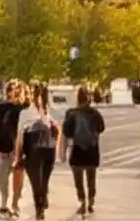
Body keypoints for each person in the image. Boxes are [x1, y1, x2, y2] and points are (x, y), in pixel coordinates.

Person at [15, 83, 62, 221]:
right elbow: (58, 132)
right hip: (49, 149)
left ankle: (39, 210)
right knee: (44, 180)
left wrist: (18, 156)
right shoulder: (51, 112)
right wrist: (57, 149)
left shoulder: (25, 114)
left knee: (36, 182)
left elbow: (20, 137)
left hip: (32, 150)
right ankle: (43, 198)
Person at [62, 87, 106, 218]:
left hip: (77, 150)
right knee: (91, 178)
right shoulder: (95, 113)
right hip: (92, 150)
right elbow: (101, 128)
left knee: (78, 179)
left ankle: (82, 201)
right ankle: (91, 199)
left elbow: (67, 132)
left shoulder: (72, 114)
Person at [0, 80, 27, 218]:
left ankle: (15, 204)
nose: (12, 93)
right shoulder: (0, 108)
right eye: (10, 90)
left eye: (15, 90)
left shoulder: (23, 108)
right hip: (5, 149)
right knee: (3, 177)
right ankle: (4, 204)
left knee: (18, 178)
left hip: (19, 149)